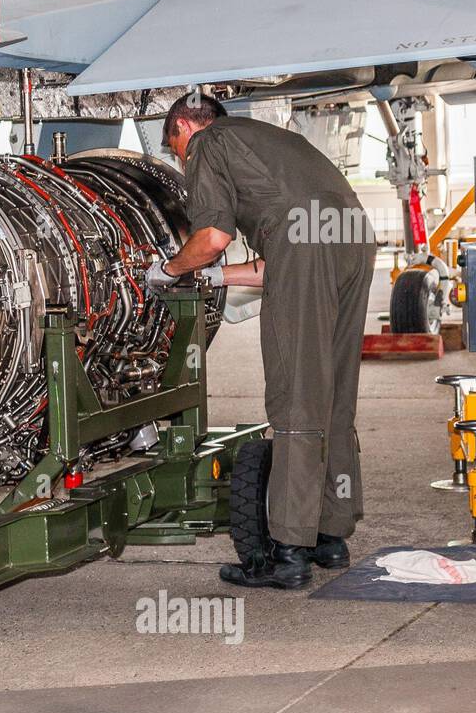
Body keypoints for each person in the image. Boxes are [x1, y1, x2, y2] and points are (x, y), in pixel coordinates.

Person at [147, 93, 377, 589]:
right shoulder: (272, 143)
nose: (180, 160)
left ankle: (289, 553)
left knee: (296, 397)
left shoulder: (210, 142)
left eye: (175, 148)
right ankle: (331, 537)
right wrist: (213, 278)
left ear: (187, 126)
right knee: (333, 393)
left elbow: (211, 236)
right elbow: (283, 260)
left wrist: (169, 269)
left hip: (306, 250)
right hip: (354, 239)